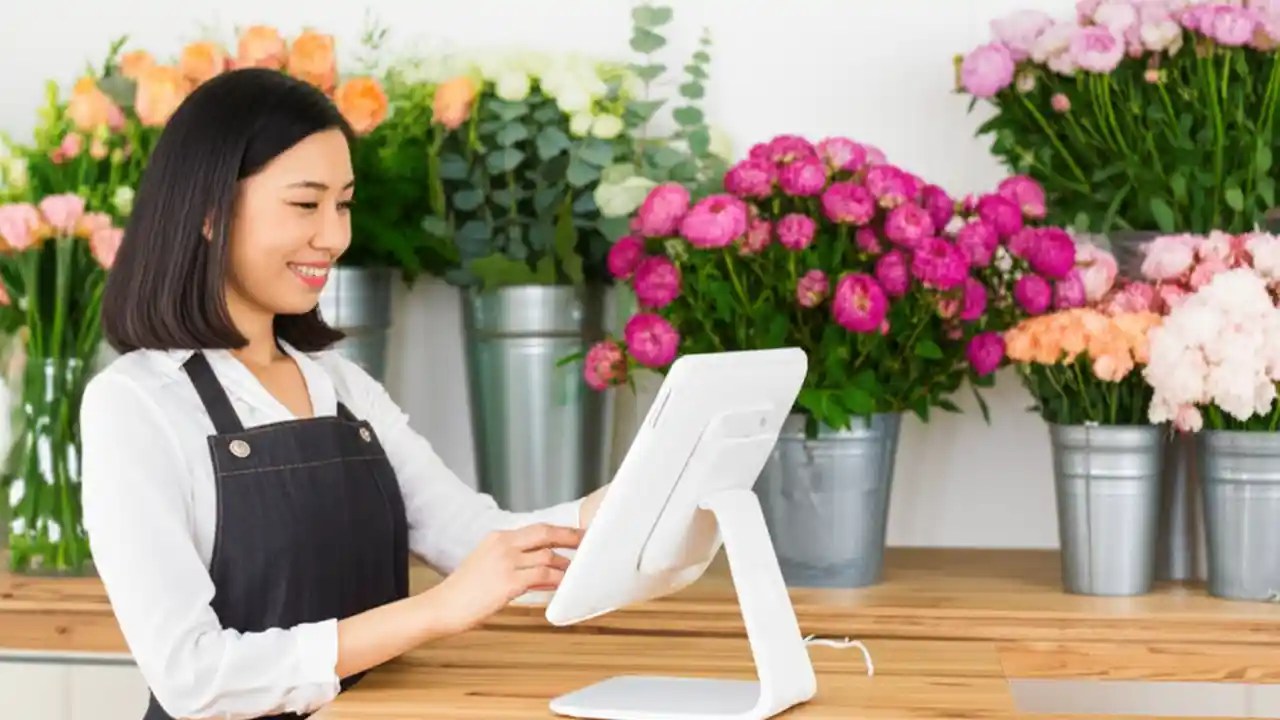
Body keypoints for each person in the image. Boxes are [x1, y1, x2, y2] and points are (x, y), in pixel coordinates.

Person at [80, 67, 608, 720]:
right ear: (211, 213)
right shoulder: (136, 404)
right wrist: (433, 613)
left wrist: (622, 505)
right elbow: (193, 676)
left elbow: (476, 543)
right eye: (306, 204)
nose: (334, 237)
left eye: (344, 203)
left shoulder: (339, 382)